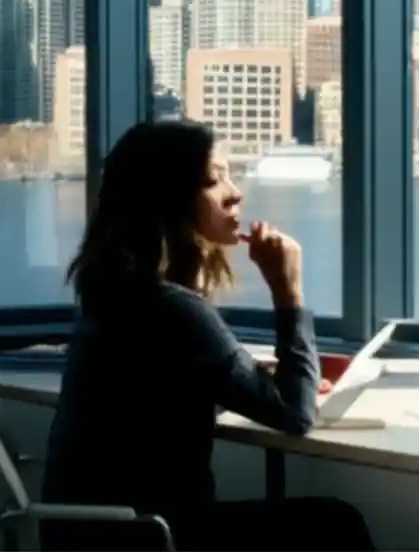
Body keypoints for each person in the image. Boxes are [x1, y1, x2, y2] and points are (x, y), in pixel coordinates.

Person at [40, 120, 375, 552]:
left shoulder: (112, 293)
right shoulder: (174, 309)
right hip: (155, 536)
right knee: (337, 526)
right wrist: (287, 291)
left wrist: (252, 379)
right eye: (212, 181)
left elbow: (164, 388)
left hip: (92, 535)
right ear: (169, 199)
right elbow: (295, 416)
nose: (235, 192)